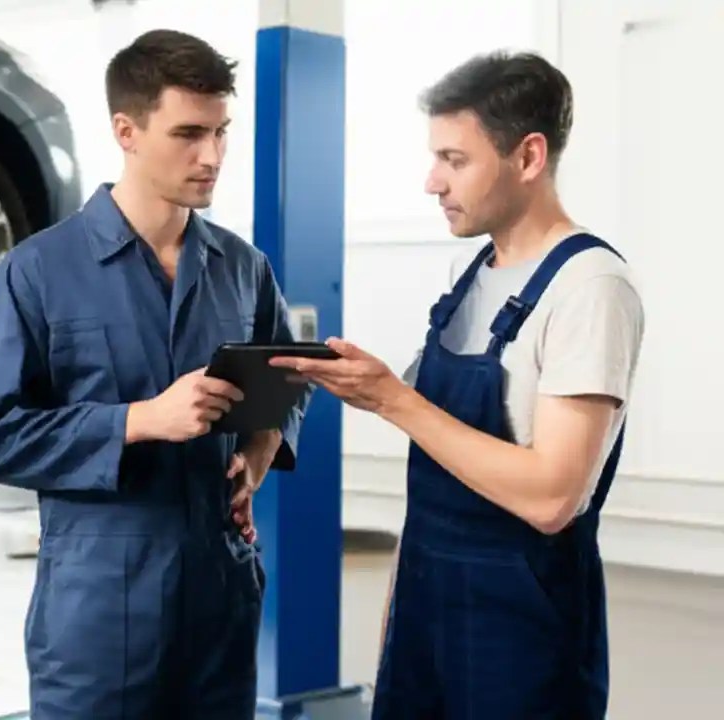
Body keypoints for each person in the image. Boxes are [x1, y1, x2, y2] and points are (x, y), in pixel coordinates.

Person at [270, 51, 644, 719]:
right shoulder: (470, 272)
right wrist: (399, 614)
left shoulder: (589, 288)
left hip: (523, 636)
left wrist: (393, 399)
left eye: (455, 159)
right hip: (427, 611)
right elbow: (440, 469)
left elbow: (553, 496)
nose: (431, 182)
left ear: (528, 157)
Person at [0, 29, 306, 719]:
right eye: (188, 133)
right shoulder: (37, 271)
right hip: (96, 604)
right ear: (127, 130)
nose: (211, 156)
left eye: (221, 132)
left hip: (219, 592)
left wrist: (266, 439)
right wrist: (140, 420)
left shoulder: (242, 267)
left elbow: (286, 378)